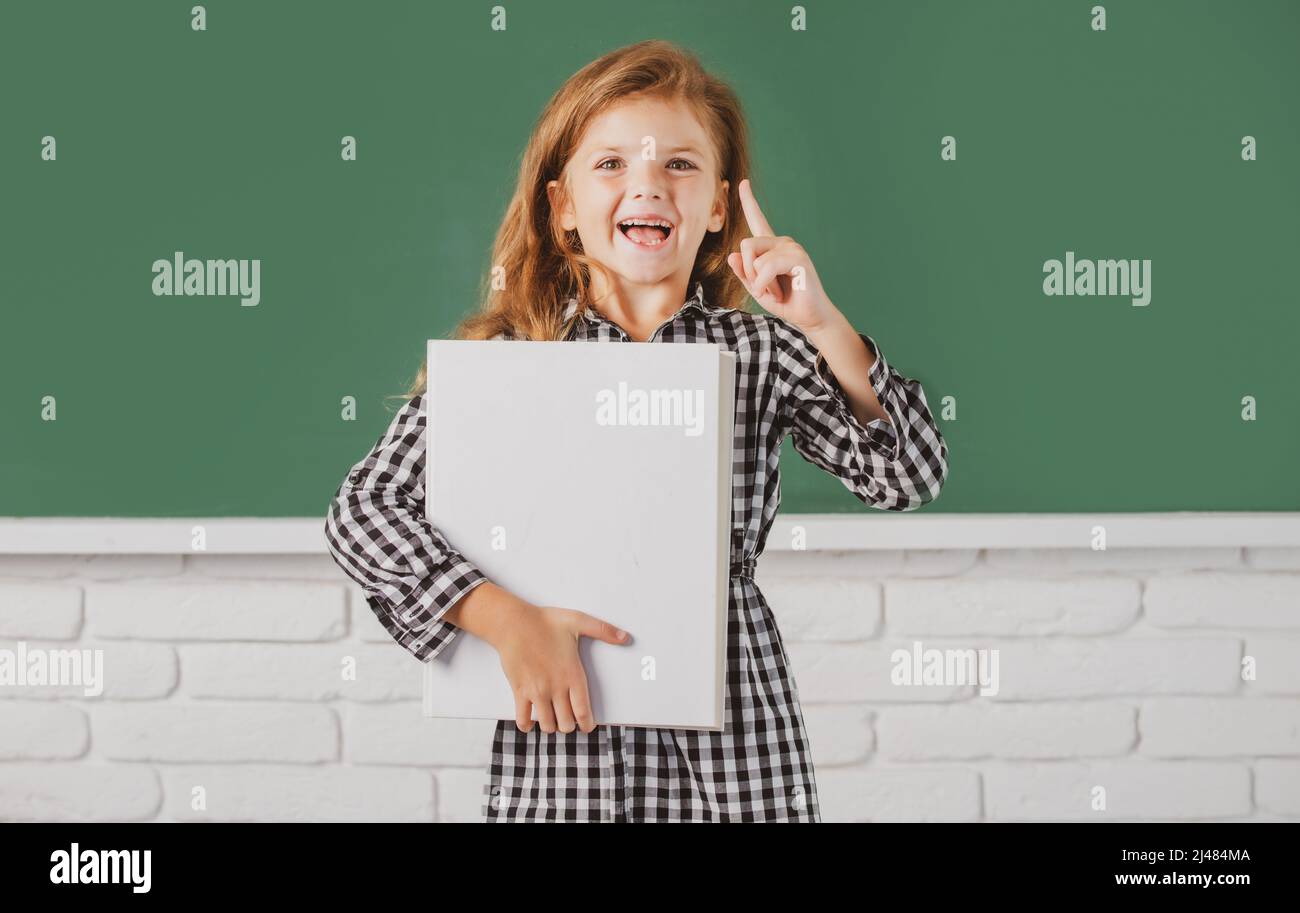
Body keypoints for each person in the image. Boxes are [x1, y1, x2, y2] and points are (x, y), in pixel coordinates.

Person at [324, 39, 948, 822]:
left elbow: (908, 475)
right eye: (612, 164)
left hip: (736, 750)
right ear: (563, 210)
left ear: (718, 207)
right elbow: (363, 509)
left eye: (679, 165)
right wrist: (502, 618)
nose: (647, 183)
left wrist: (822, 324)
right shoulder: (512, 361)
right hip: (565, 746)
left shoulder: (762, 353)